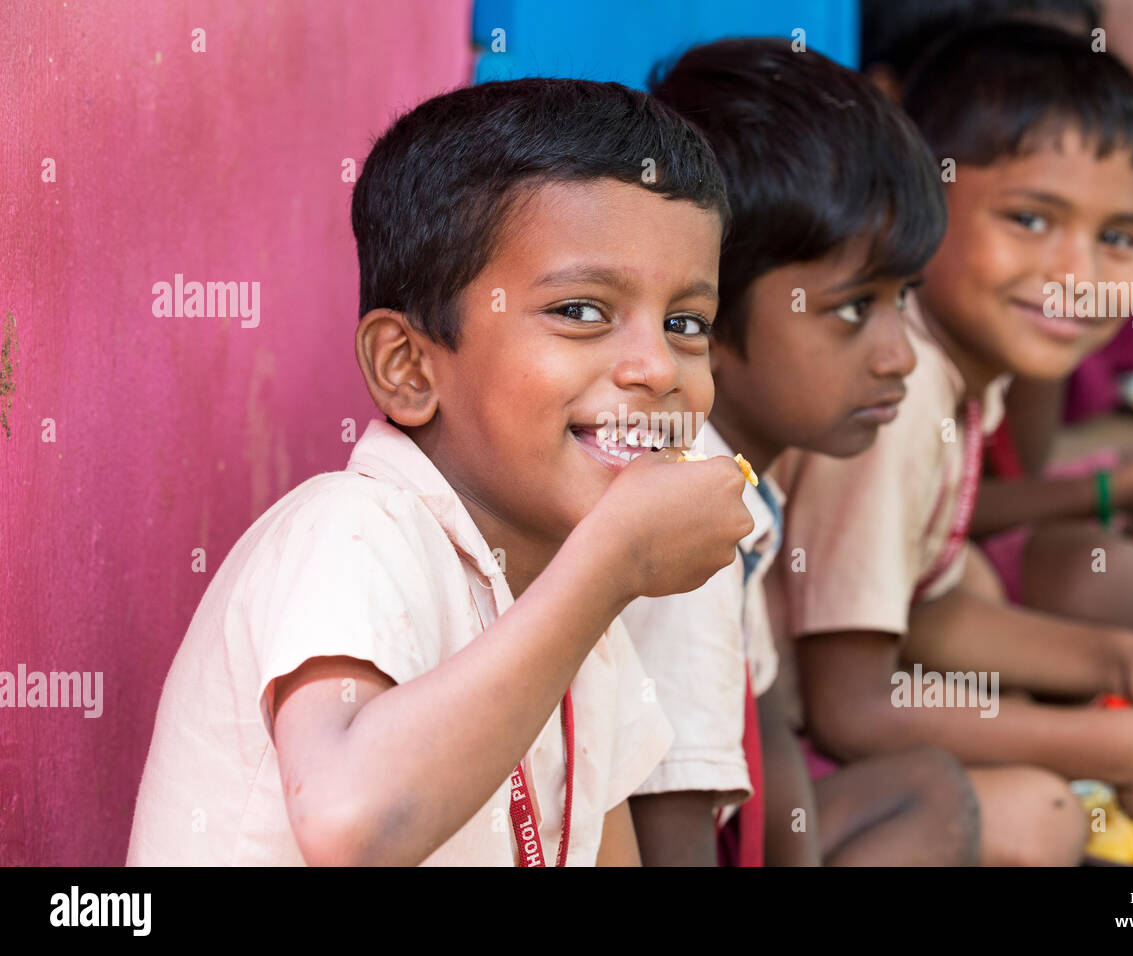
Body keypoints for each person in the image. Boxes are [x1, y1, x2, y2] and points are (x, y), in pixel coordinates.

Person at [126, 78, 756, 866]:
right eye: (582, 311)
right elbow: (351, 823)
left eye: (684, 323)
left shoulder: (577, 620)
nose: (658, 367)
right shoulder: (351, 531)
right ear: (409, 368)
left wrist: (601, 580)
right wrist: (612, 566)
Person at [772, 23, 1133, 866]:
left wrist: (1121, 661)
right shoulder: (895, 394)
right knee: (1043, 814)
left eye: (1118, 238)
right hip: (775, 771)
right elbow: (852, 705)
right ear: (925, 198)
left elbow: (932, 606)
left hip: (839, 705)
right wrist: (1101, 747)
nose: (1077, 272)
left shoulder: (960, 371)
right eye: (1029, 218)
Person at [623, 38, 979, 867]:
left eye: (904, 298)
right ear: (701, 308)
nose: (900, 354)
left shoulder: (736, 482)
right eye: (854, 309)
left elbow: (769, 719)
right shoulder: (679, 531)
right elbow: (664, 827)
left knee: (930, 791)